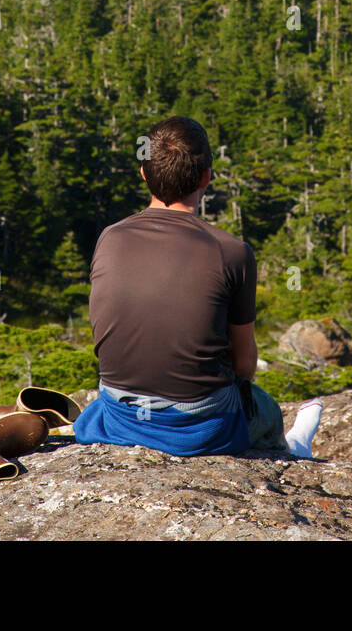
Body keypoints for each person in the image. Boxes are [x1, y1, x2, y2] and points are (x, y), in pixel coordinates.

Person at [74, 115, 322, 459]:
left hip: (121, 417)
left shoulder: (110, 238)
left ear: (144, 174)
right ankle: (292, 449)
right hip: (202, 427)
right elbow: (245, 365)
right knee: (263, 408)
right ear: (206, 176)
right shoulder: (231, 251)